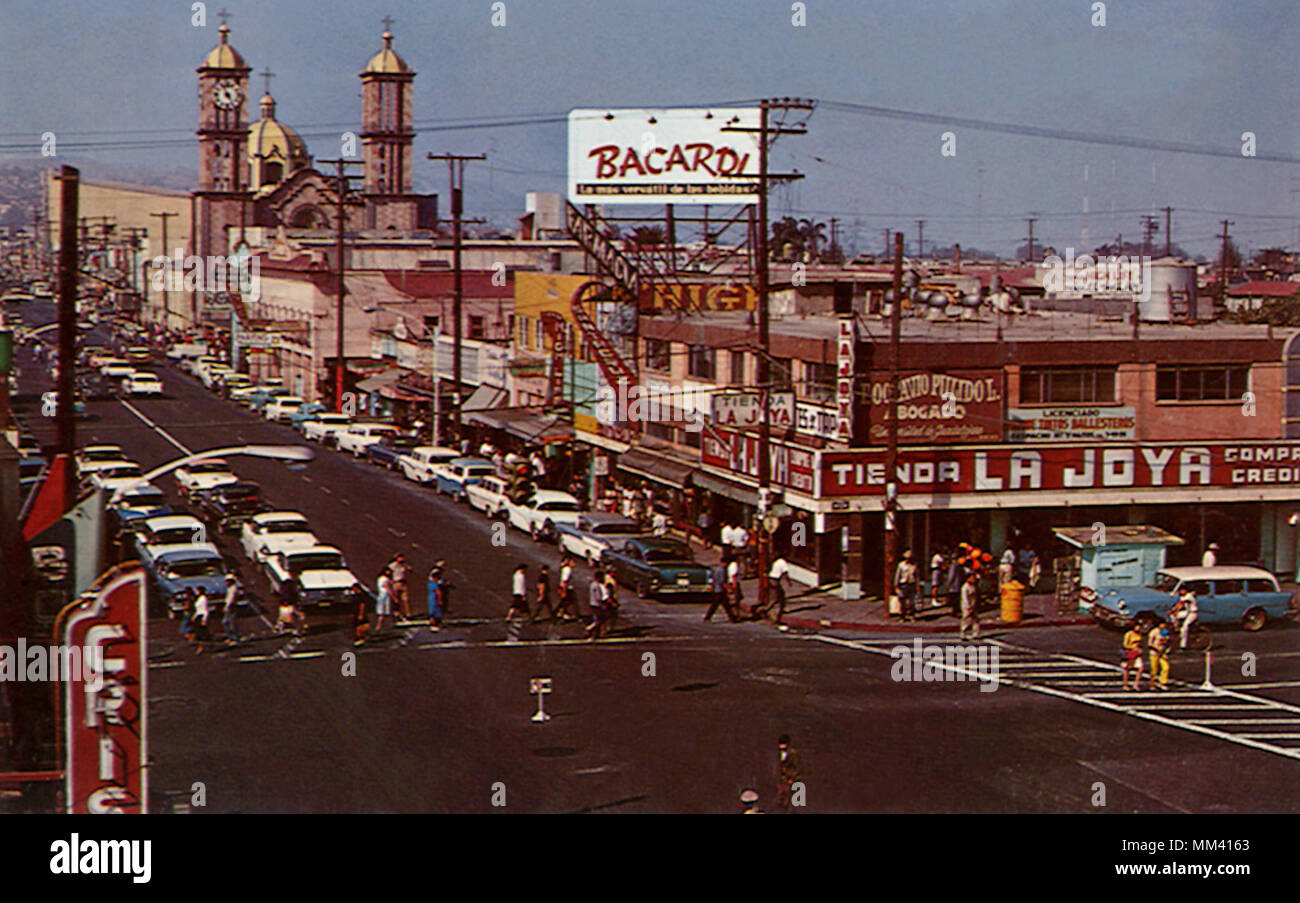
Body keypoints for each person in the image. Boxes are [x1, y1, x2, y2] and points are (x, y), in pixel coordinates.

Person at [775, 734, 801, 814]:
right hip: (783, 781)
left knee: (789, 801)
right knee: (781, 801)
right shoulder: (780, 754)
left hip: (790, 781)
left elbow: (796, 768)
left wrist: (791, 779)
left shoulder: (793, 754)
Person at [585, 567, 610, 640]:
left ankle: (596, 633)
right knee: (600, 619)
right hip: (596, 605)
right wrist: (603, 602)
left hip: (593, 604)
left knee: (599, 619)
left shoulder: (593, 584)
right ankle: (589, 629)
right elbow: (598, 597)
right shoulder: (596, 585)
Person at [1170, 586, 1198, 651]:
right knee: (1173, 616)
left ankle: (1183, 646)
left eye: (1182, 590)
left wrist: (1175, 610)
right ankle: (1176, 627)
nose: (1181, 592)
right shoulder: (1182, 597)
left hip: (1193, 613)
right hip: (1187, 612)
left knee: (1184, 627)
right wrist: (1173, 611)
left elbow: (1181, 604)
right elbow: (1178, 604)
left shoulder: (1189, 596)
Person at [765, 554, 790, 624]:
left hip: (771, 579)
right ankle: (769, 612)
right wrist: (789, 582)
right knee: (777, 598)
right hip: (775, 580)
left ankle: (768, 610)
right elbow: (785, 573)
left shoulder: (776, 561)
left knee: (776, 596)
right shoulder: (783, 563)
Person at [1121, 621, 1146, 690]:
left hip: (1137, 653)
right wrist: (1132, 648)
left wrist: (1140, 649)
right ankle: (1125, 684)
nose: (1138, 628)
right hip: (1130, 652)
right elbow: (1125, 644)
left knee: (1141, 668)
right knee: (1128, 669)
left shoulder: (1139, 634)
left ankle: (1136, 684)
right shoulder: (1129, 634)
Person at [895, 550, 918, 621]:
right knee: (902, 601)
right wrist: (896, 585)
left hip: (912, 584)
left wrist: (917, 585)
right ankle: (902, 616)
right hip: (903, 584)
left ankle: (912, 615)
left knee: (912, 601)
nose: (908, 559)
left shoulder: (914, 565)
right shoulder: (901, 565)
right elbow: (898, 575)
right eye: (907, 558)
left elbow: (917, 576)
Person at [1147, 622, 1171, 690]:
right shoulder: (1154, 632)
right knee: (1154, 669)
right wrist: (1157, 648)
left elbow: (1168, 641)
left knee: (1166, 667)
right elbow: (1149, 644)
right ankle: (1152, 683)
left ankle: (1163, 682)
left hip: (1162, 653)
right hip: (1154, 653)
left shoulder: (1165, 632)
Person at [556, 555, 580, 621]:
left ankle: (561, 613)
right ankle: (562, 614)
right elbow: (565, 582)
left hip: (565, 588)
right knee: (570, 602)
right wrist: (564, 591)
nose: (574, 563)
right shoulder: (568, 570)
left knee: (566, 602)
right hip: (567, 589)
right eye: (573, 562)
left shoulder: (566, 569)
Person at [388, 554, 410, 621]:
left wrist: (405, 567)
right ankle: (396, 613)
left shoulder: (404, 565)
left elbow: (410, 571)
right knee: (396, 599)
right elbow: (387, 572)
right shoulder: (392, 565)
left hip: (403, 583)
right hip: (396, 583)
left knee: (405, 599)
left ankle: (408, 614)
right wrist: (391, 580)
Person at [221, 575, 241, 644]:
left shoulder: (233, 589)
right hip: (229, 606)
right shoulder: (230, 588)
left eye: (227, 581)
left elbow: (231, 599)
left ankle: (235, 638)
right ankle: (230, 637)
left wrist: (226, 607)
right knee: (225, 622)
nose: (226, 582)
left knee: (231, 623)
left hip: (231, 606)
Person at [959, 573, 980, 641]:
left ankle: (976, 634)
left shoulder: (974, 586)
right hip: (967, 606)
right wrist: (969, 607)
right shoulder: (965, 588)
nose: (973, 579)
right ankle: (963, 634)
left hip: (973, 605)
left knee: (975, 620)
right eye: (972, 578)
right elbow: (965, 599)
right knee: (966, 620)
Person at [426, 563, 446, 630]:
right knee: (436, 613)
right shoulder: (435, 584)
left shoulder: (430, 583)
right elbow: (438, 592)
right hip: (434, 599)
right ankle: (435, 625)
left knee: (432, 612)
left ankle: (433, 624)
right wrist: (440, 600)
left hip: (431, 599)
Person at [374, 567, 394, 631]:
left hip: (380, 595)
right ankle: (389, 624)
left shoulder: (379, 579)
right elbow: (387, 588)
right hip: (386, 595)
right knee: (387, 610)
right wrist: (394, 597)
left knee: (381, 612)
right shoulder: (385, 579)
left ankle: (379, 626)